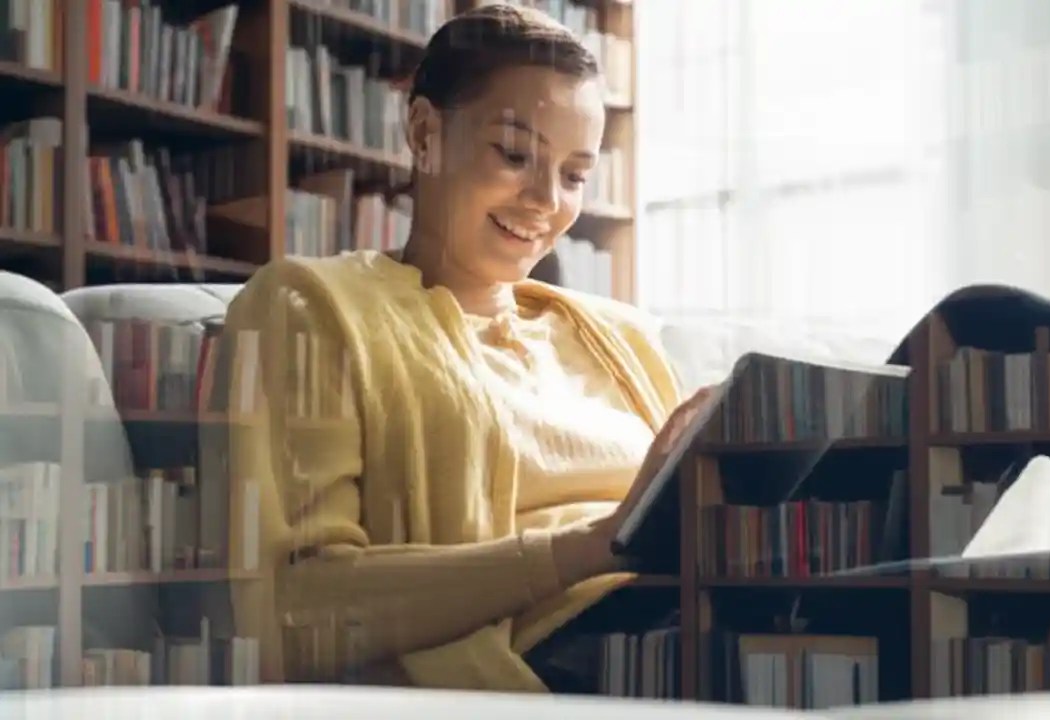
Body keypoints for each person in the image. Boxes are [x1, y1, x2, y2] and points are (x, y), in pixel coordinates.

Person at [215, 4, 713, 692]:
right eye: (514, 155)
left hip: (705, 602)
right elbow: (295, 611)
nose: (544, 200)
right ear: (425, 133)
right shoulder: (313, 306)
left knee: (906, 572)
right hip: (576, 651)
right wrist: (594, 546)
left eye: (573, 175)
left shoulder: (620, 336)